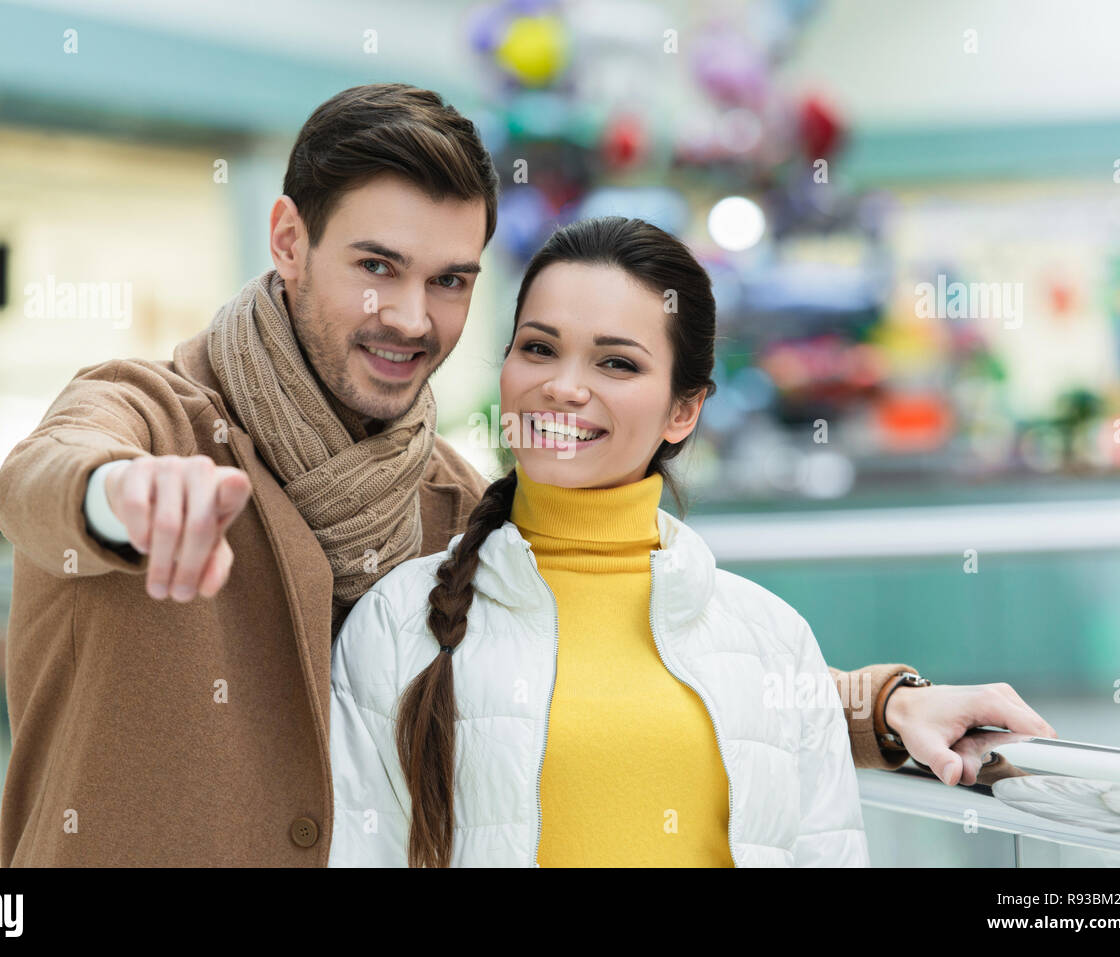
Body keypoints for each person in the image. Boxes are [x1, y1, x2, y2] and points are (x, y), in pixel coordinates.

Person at [0, 82, 1055, 867]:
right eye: (376, 267)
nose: (412, 319)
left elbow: (615, 659)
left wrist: (877, 707)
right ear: (286, 240)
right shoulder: (151, 416)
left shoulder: (444, 509)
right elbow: (46, 478)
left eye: (450, 281)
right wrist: (121, 499)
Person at [328, 216, 871, 866]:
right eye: (538, 348)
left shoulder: (777, 640)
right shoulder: (394, 624)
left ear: (684, 410)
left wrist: (896, 701)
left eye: (616, 361)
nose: (563, 386)